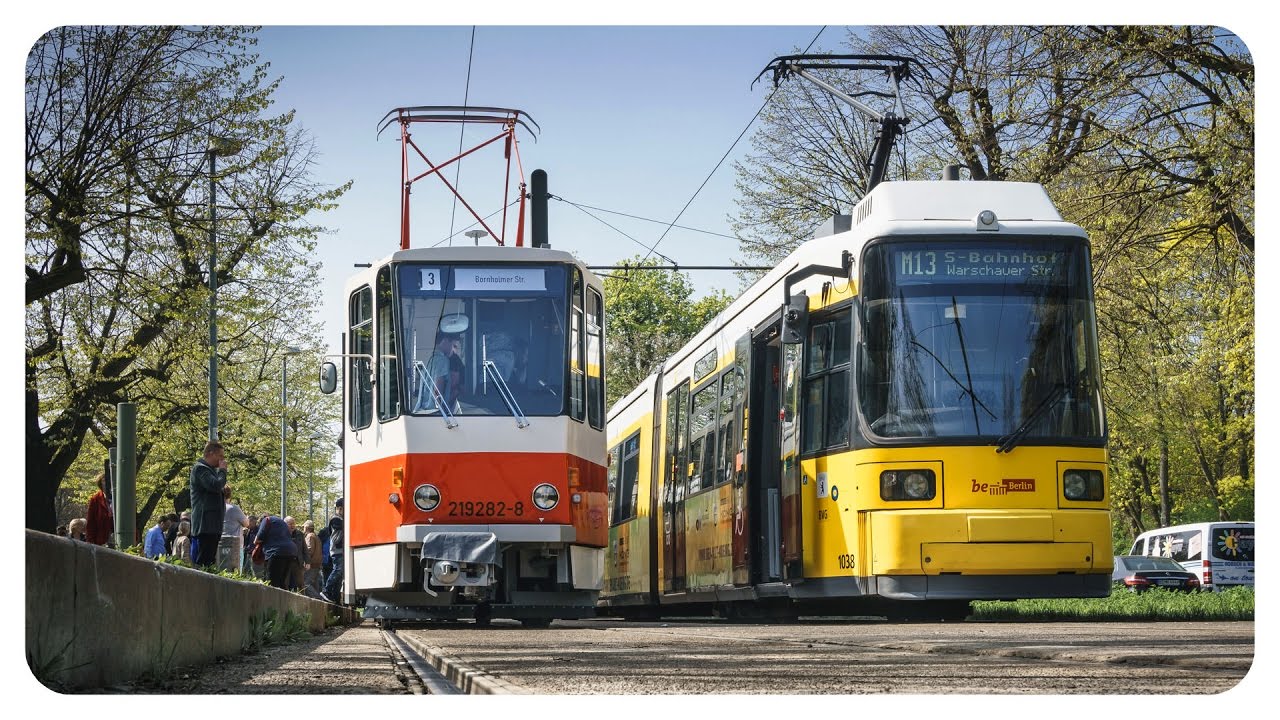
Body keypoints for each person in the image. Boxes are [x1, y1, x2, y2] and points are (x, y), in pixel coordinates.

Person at [189, 441, 228, 568]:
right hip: (205, 524)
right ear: (211, 454)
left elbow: (215, 488)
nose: (222, 460)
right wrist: (223, 471)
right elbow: (214, 485)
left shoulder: (210, 471)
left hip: (213, 525)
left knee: (209, 560)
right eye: (220, 457)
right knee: (204, 560)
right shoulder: (200, 469)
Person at [252, 515, 300, 590]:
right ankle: (283, 601)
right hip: (291, 552)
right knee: (282, 582)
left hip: (276, 552)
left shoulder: (266, 520)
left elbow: (257, 539)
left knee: (271, 583)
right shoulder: (282, 523)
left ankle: (271, 601)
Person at [220, 487, 249, 574]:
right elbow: (246, 524)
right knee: (235, 572)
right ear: (230, 495)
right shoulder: (233, 508)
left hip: (219, 543)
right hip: (234, 545)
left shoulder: (216, 508)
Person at [321, 498, 344, 603]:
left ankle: (333, 595)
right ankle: (326, 591)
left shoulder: (339, 519)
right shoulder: (336, 519)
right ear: (339, 508)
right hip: (337, 550)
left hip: (338, 550)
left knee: (339, 574)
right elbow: (340, 527)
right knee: (337, 570)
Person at [85, 473, 114, 546]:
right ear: (100, 483)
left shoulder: (121, 497)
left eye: (109, 480)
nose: (107, 483)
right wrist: (90, 543)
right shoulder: (95, 500)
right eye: (104, 480)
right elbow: (90, 523)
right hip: (101, 542)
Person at [302, 520, 323, 597]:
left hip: (312, 565)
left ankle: (318, 598)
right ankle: (320, 602)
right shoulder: (316, 536)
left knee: (305, 583)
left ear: (307, 527)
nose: (303, 528)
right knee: (315, 585)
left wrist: (305, 561)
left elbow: (309, 550)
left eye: (304, 527)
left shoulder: (309, 536)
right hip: (317, 564)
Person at [285, 516, 307, 591]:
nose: (292, 525)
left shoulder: (299, 534)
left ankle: (303, 599)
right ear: (285, 524)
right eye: (290, 524)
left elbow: (305, 548)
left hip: (297, 562)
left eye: (294, 524)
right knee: (285, 582)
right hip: (286, 561)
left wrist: (307, 562)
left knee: (300, 583)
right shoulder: (282, 533)